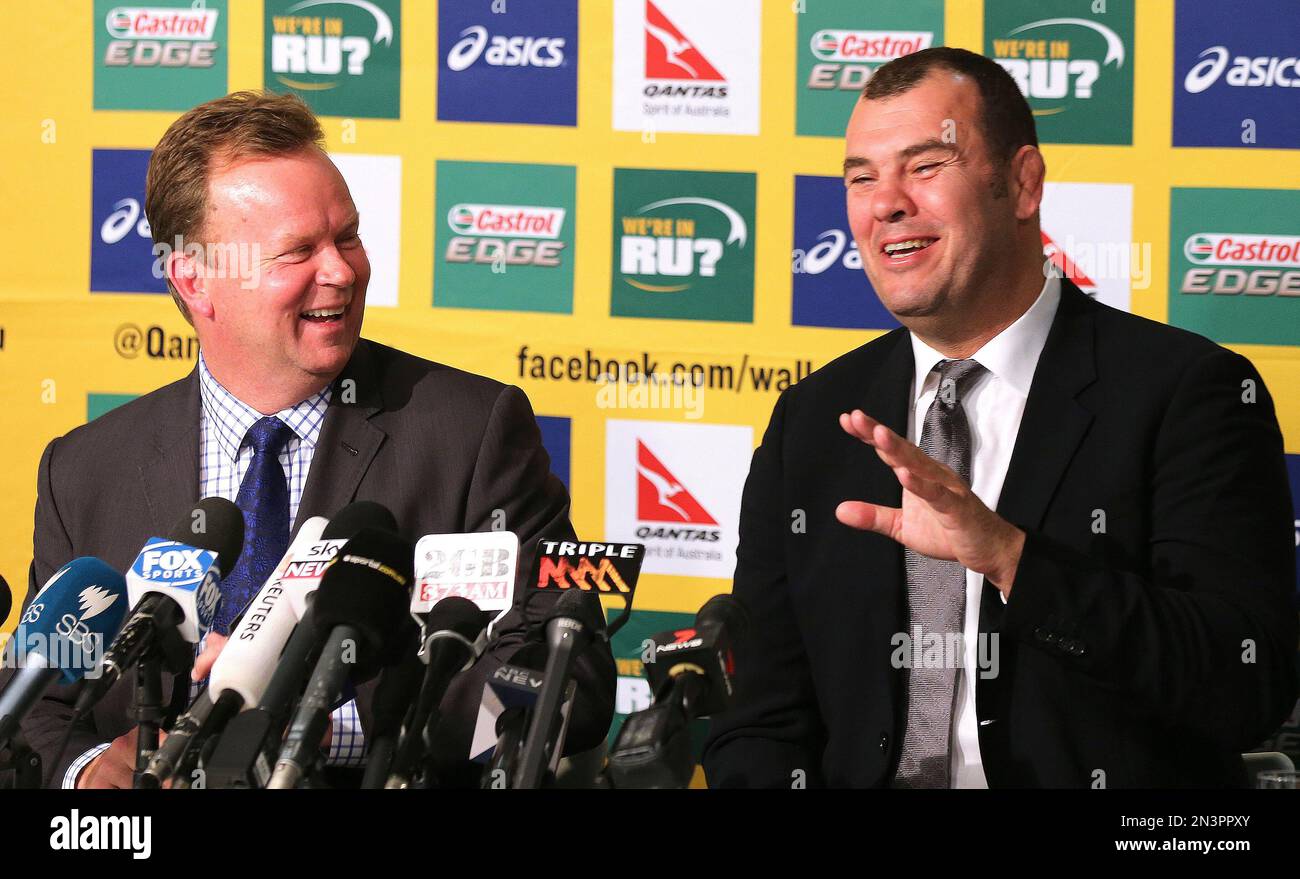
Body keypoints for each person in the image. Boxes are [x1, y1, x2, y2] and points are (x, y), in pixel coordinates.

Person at [703, 48, 1297, 788]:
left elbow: (1246, 682)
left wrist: (1012, 558)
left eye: (923, 167)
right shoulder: (815, 418)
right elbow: (761, 715)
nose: (885, 203)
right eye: (862, 177)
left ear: (1022, 184)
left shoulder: (1187, 393)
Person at [5, 90, 614, 788]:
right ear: (195, 280)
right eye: (298, 250)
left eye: (347, 236)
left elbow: (566, 680)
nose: (343, 270)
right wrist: (86, 773)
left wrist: (332, 717)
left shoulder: (471, 433)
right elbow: (36, 705)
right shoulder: (83, 469)